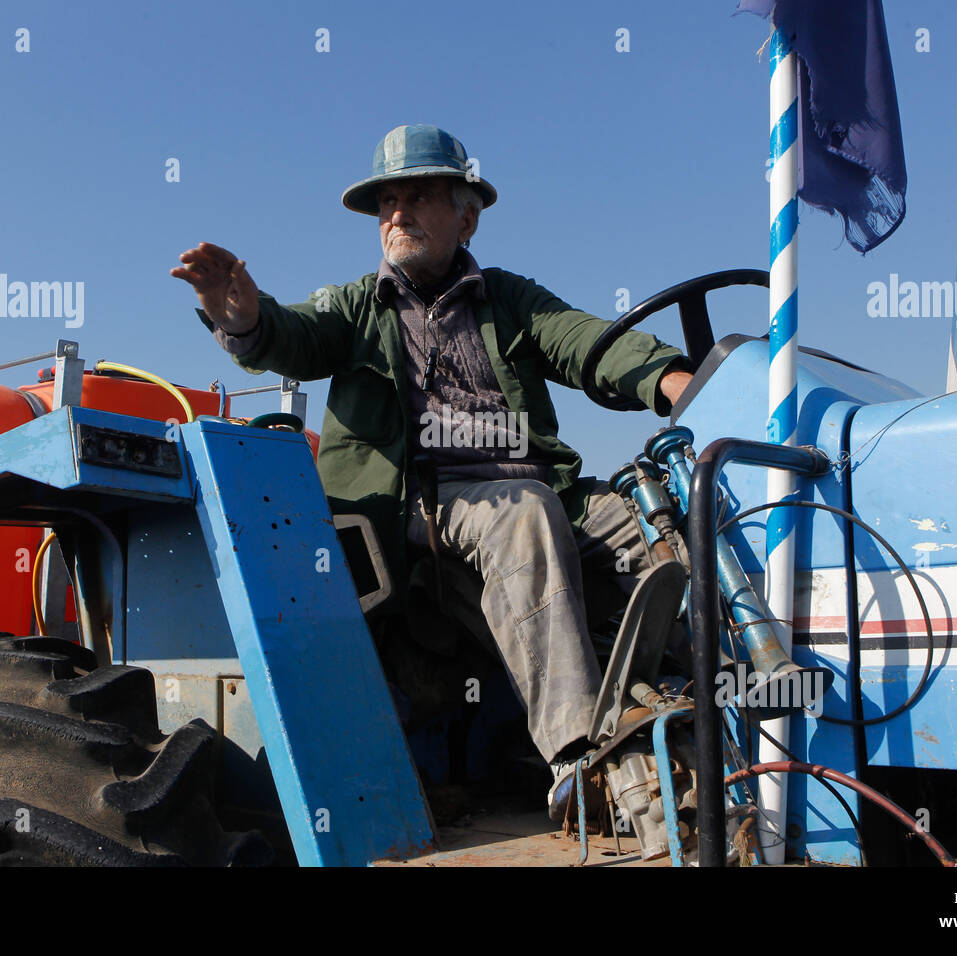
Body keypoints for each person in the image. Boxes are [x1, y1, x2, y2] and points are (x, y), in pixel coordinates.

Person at [172, 125, 694, 820]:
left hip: (539, 488)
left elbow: (585, 343)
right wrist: (241, 318)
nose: (397, 214)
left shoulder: (509, 299)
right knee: (526, 515)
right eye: (387, 202)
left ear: (467, 215)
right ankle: (580, 757)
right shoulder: (355, 306)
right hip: (425, 507)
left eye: (417, 196)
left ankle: (721, 723)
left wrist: (670, 378)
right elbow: (290, 336)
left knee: (665, 528)